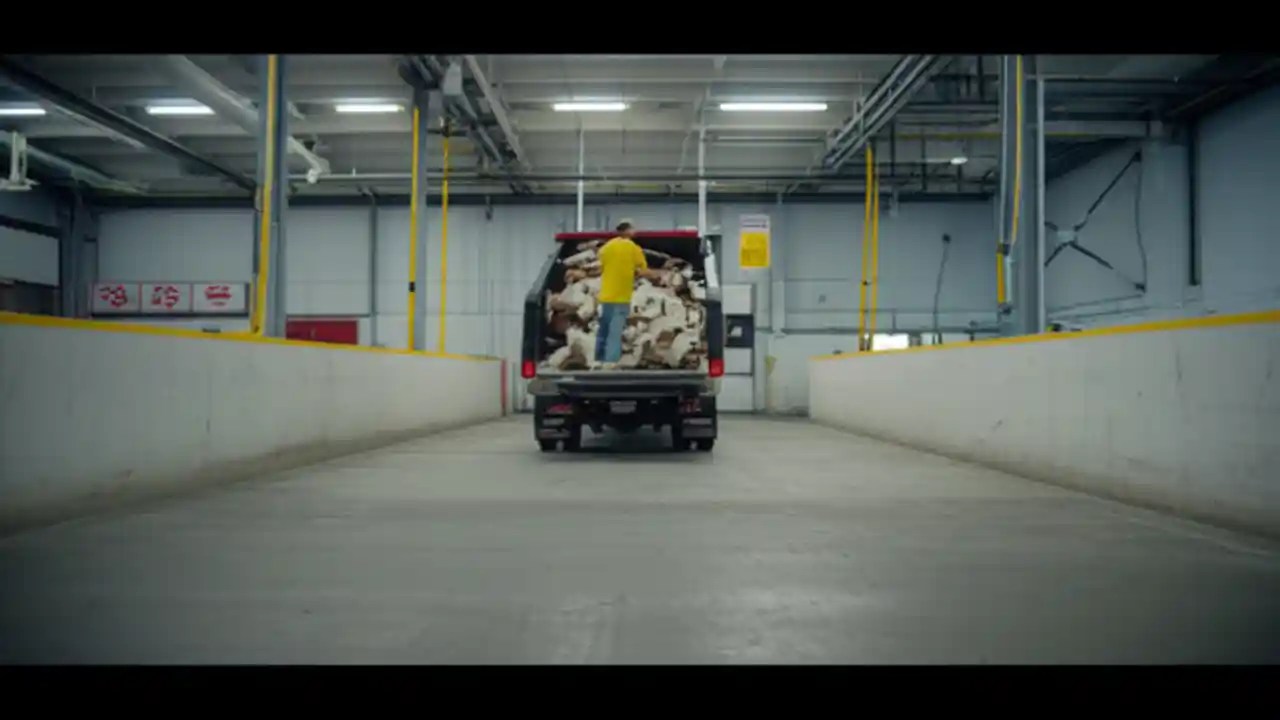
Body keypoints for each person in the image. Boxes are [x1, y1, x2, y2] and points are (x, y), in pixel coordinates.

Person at [595, 220, 658, 368]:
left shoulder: (606, 247)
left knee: (604, 328)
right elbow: (643, 270)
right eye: (632, 229)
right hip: (622, 295)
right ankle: (611, 362)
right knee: (615, 331)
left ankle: (598, 358)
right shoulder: (633, 248)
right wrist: (657, 275)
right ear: (627, 231)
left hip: (606, 295)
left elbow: (599, 266)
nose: (634, 231)